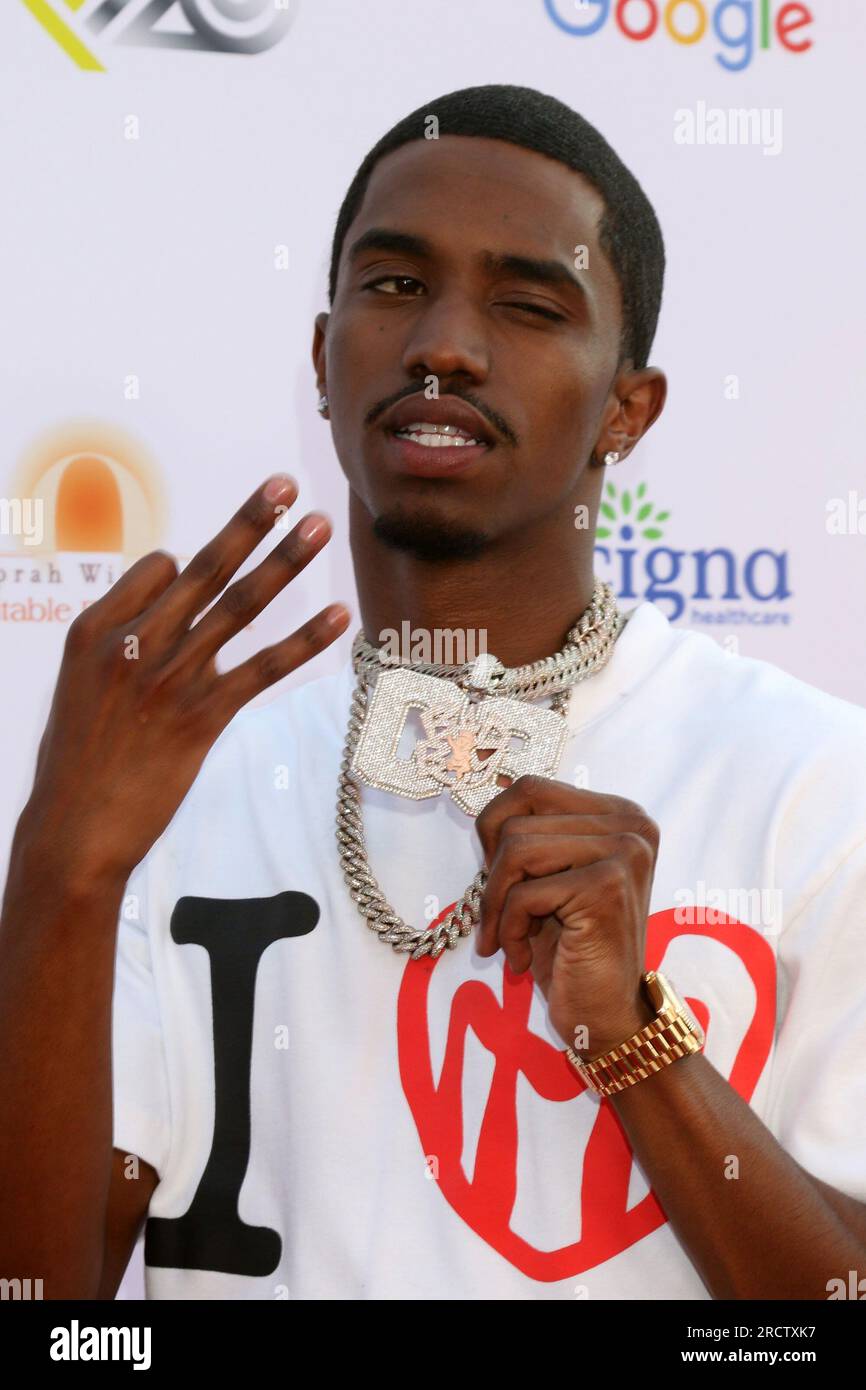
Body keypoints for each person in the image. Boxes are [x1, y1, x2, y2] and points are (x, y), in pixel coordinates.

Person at [1, 83, 865, 1302]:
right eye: (395, 285)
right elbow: (46, 1313)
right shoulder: (171, 773)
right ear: (320, 354)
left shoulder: (816, 785)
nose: (443, 345)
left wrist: (632, 1038)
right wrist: (60, 875)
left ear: (628, 407)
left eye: (524, 304)